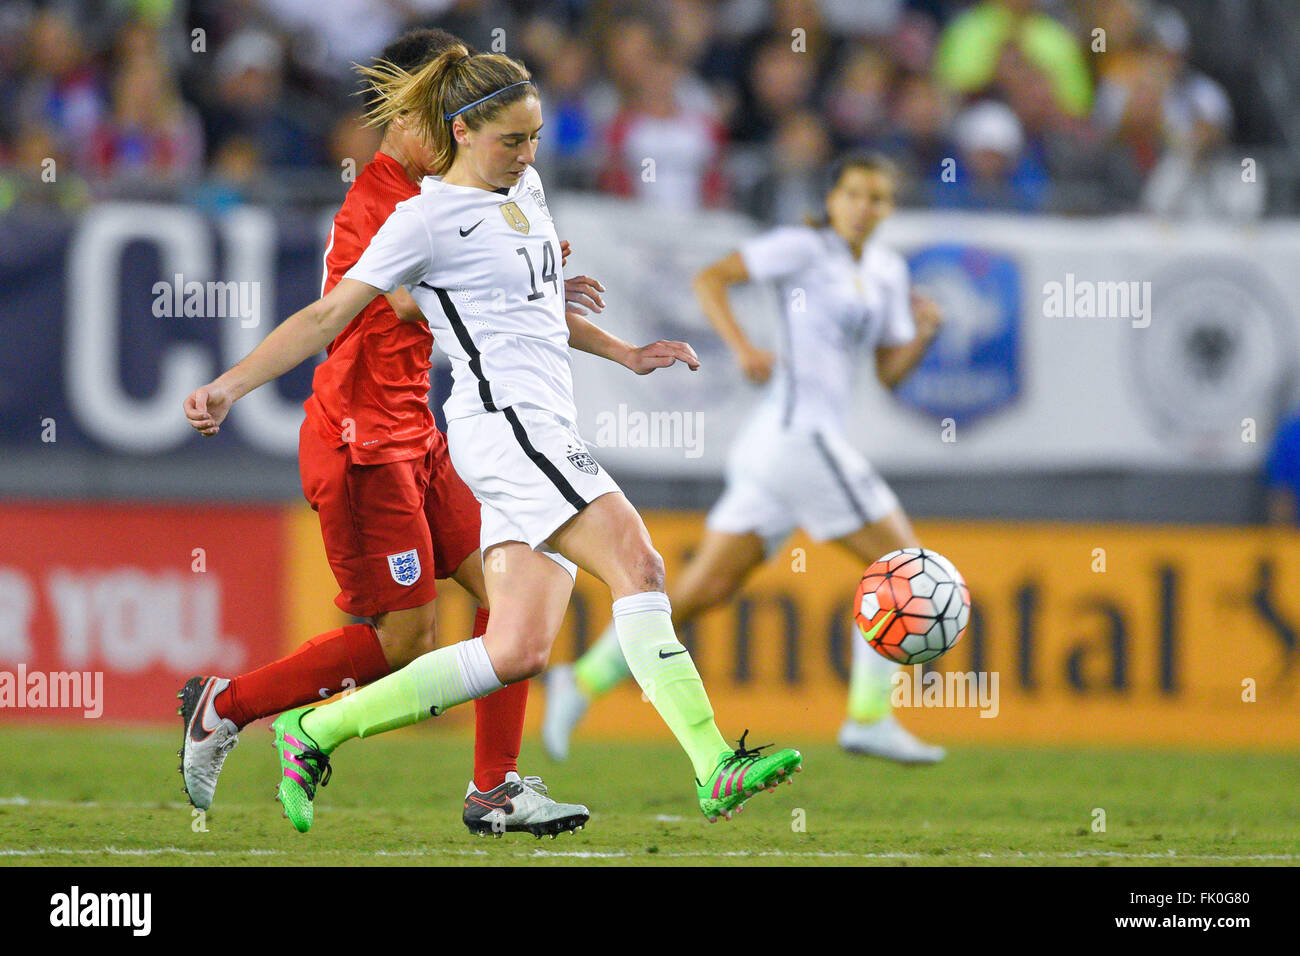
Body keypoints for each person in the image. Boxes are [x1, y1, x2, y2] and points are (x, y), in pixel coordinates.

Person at [185, 43, 802, 833]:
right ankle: (716, 763)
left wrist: (625, 351)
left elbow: (533, 308)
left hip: (510, 427)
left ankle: (318, 729)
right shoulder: (423, 217)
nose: (527, 152)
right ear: (463, 130)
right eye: (511, 139)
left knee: (515, 647)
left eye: (535, 136)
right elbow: (330, 315)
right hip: (505, 428)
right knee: (638, 564)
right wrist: (229, 386)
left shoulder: (526, 188)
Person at [179, 29, 597, 838]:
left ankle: (495, 789)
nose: (453, 135)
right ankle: (225, 707)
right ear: (399, 112)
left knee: (514, 590)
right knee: (406, 638)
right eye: (439, 116)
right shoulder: (380, 203)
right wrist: (229, 386)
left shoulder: (455, 189)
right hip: (362, 444)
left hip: (422, 436)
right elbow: (364, 309)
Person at [544, 154, 948, 764]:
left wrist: (922, 335)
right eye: (856, 194)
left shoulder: (889, 272)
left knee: (703, 591)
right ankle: (869, 717)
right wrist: (743, 348)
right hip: (798, 437)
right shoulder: (803, 247)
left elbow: (889, 376)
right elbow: (711, 278)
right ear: (833, 197)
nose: (866, 208)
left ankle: (580, 682)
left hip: (784, 449)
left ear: (889, 209)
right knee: (902, 570)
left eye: (879, 198)